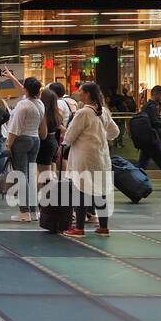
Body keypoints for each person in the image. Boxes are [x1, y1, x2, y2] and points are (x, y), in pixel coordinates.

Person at [62, 82, 118, 237]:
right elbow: (115, 131)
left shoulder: (83, 113)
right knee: (101, 192)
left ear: (87, 94)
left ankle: (79, 228)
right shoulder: (104, 111)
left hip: (84, 157)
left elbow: (70, 136)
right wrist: (100, 138)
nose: (78, 92)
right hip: (101, 157)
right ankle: (104, 227)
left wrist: (65, 141)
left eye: (80, 91)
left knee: (81, 191)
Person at [5, 75, 47, 222]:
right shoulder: (39, 104)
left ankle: (24, 212)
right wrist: (11, 77)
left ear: (25, 89)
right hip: (35, 140)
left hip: (21, 141)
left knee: (21, 176)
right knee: (30, 176)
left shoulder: (23, 105)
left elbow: (15, 127)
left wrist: (8, 144)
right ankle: (34, 211)